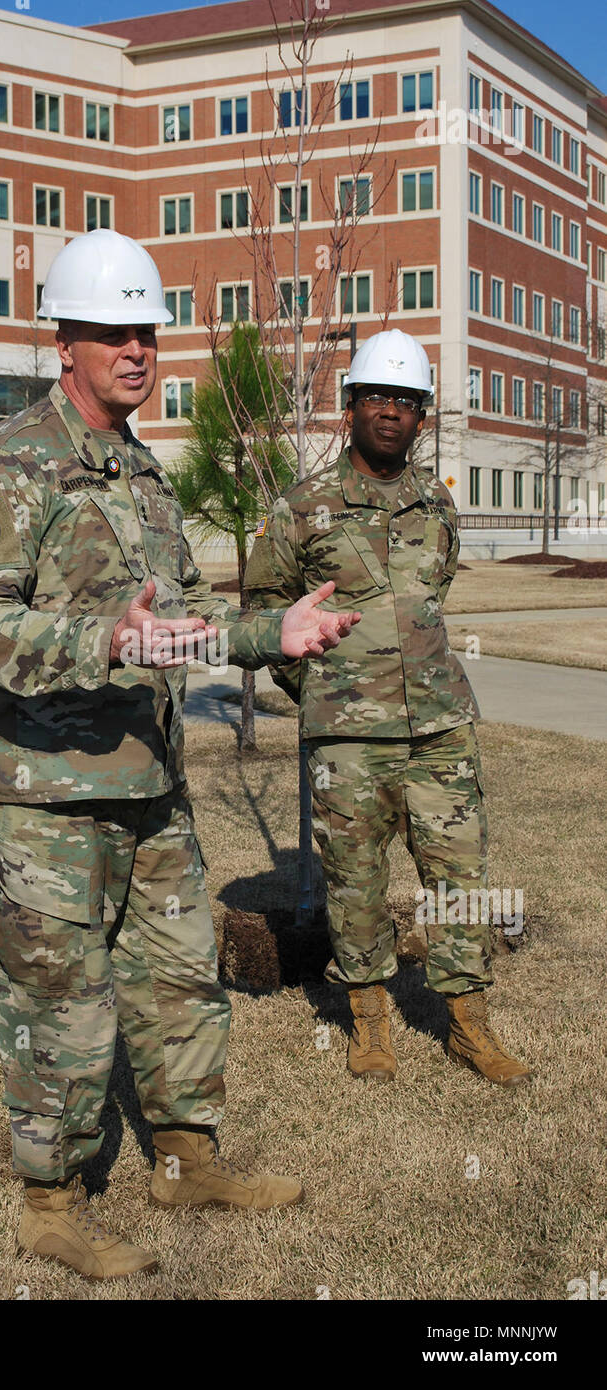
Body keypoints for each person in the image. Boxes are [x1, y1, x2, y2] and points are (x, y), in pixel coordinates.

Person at [0, 229, 360, 1281]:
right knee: (60, 1001)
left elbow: (183, 621)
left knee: (179, 982)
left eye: (146, 331)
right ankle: (50, 1200)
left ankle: (187, 1158)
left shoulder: (140, 473)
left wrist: (275, 635)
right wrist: (103, 640)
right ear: (65, 341)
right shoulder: (10, 465)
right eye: (113, 331)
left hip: (148, 781)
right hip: (47, 795)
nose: (136, 348)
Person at [244, 328, 531, 1090]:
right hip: (348, 737)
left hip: (440, 724)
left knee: (460, 875)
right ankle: (369, 1020)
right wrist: (318, 690)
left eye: (407, 402)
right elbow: (267, 610)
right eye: (378, 397)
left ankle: (469, 1023)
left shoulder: (437, 500)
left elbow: (435, 592)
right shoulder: (302, 507)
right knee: (355, 878)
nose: (392, 413)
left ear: (423, 416)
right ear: (349, 407)